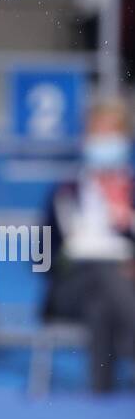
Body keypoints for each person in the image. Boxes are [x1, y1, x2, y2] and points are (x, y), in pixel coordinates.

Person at [42, 99, 135, 393]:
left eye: (112, 136)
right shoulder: (65, 192)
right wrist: (71, 254)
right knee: (103, 273)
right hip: (73, 285)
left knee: (102, 305)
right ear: (86, 140)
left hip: (121, 287)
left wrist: (125, 218)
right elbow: (40, 257)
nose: (105, 143)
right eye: (99, 135)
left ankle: (100, 400)